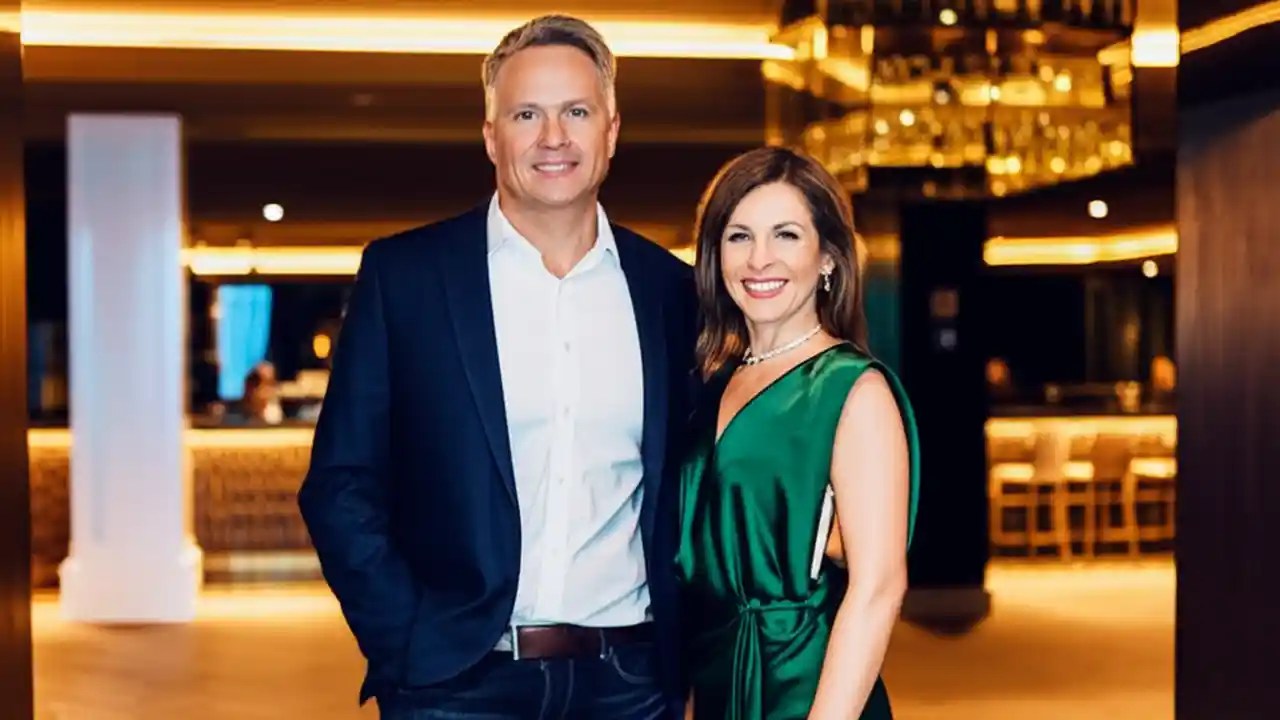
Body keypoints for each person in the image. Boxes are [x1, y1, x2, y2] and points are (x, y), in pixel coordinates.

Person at [297, 14, 697, 719]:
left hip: (631, 683)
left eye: (576, 111)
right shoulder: (407, 277)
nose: (553, 137)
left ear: (611, 131)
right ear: (491, 136)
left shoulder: (669, 291)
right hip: (455, 682)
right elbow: (340, 482)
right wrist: (406, 640)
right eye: (526, 113)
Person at [674, 147, 920, 719]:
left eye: (785, 235)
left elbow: (879, 587)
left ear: (828, 257)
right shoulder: (711, 386)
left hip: (806, 687)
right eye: (738, 237)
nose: (760, 260)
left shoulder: (852, 391)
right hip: (715, 681)